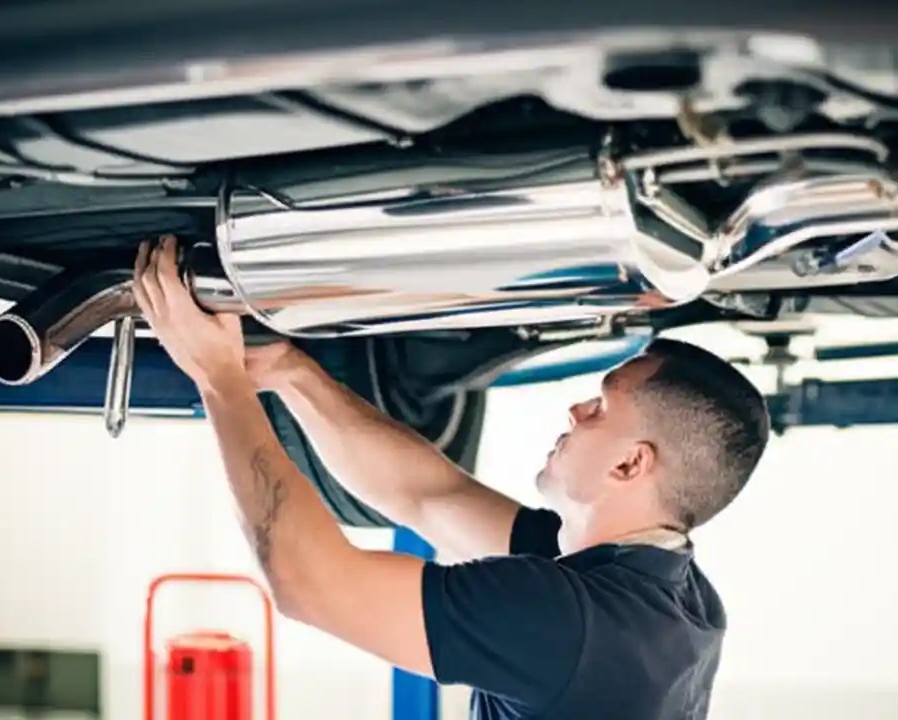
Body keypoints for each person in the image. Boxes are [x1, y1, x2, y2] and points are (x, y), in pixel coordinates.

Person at [131, 234, 771, 719]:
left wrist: (219, 380)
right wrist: (292, 373)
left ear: (631, 463)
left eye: (600, 406)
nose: (576, 410)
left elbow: (311, 583)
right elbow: (430, 498)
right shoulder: (664, 596)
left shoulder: (571, 624)